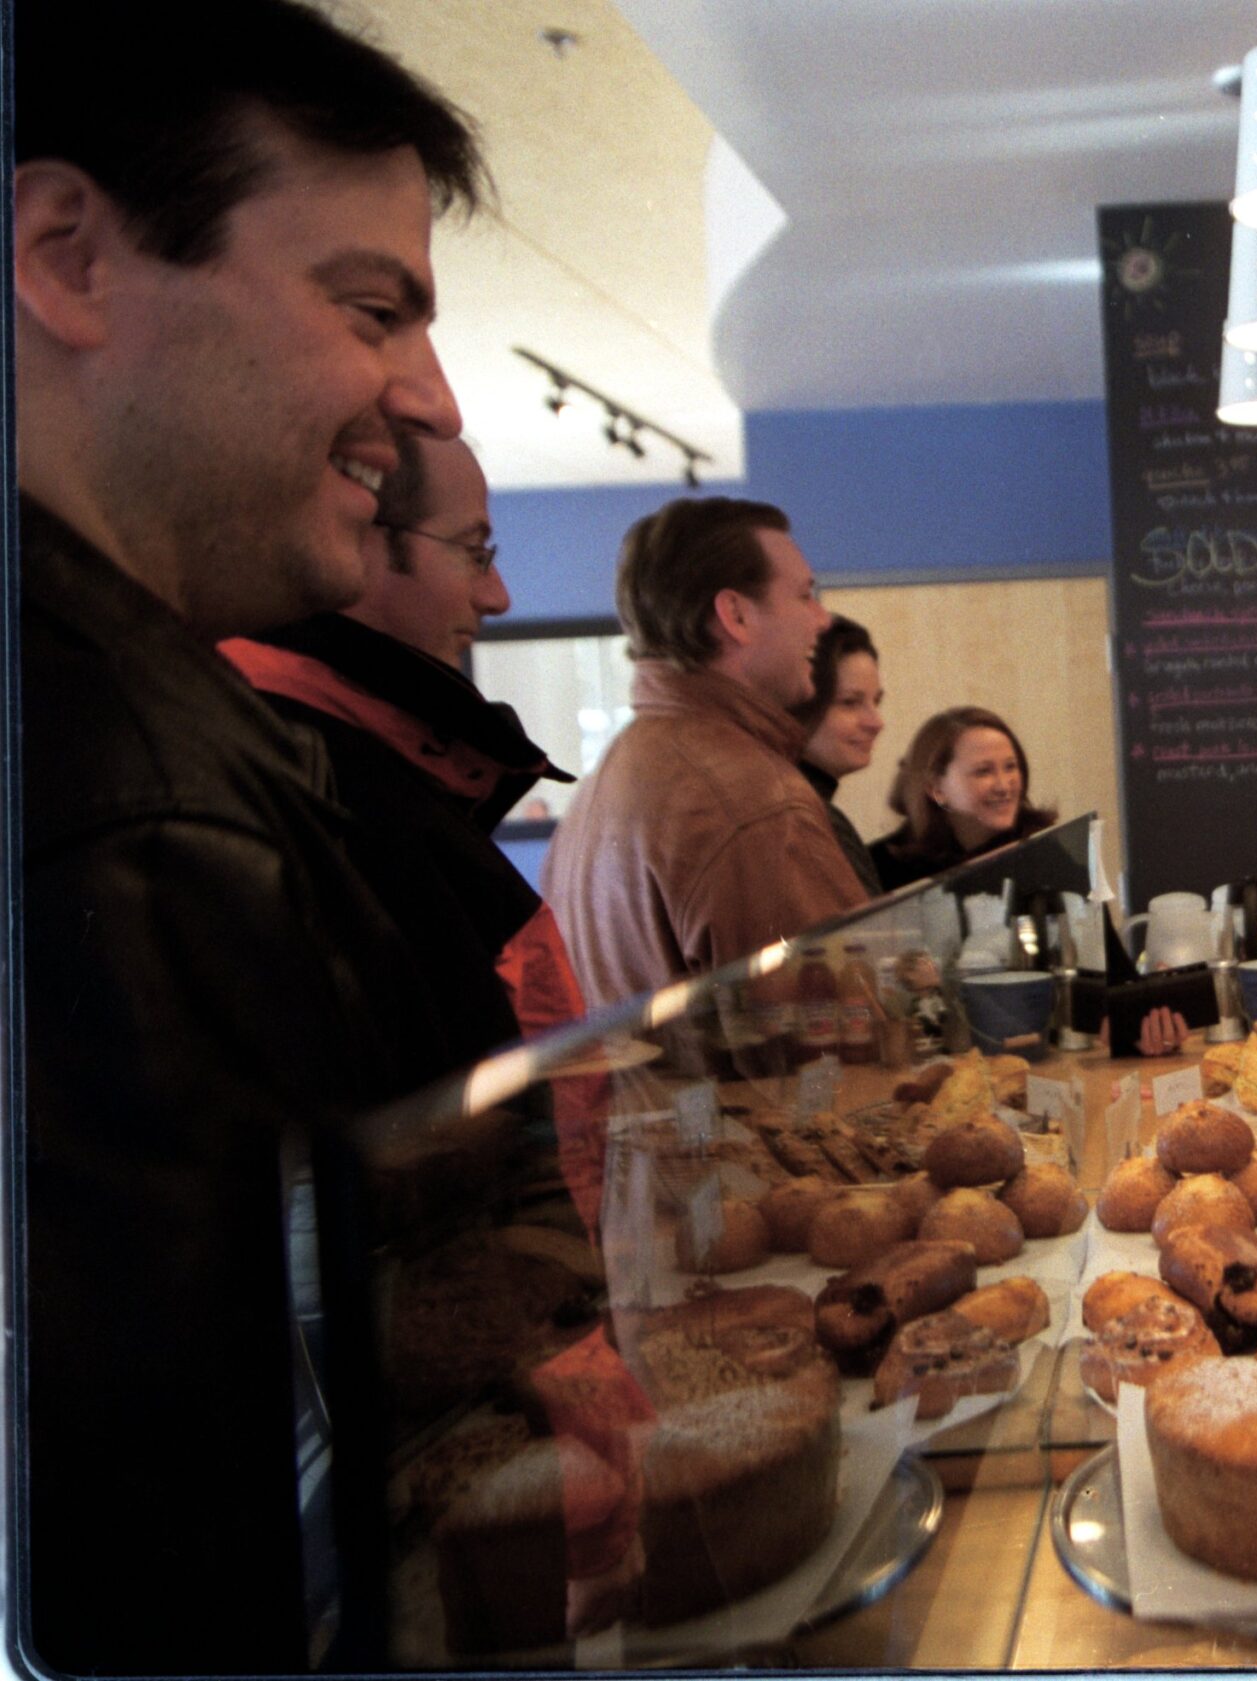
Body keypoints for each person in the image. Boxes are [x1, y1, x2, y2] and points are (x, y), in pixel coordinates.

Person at [13, 2, 485, 1667]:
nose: (428, 400)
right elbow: (189, 1578)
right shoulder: (133, 805)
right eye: (372, 310)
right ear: (70, 258)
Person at [224, 431, 585, 1046]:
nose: (496, 596)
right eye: (474, 551)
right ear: (356, 538)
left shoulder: (337, 751)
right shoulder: (314, 775)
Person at [543, 497, 866, 1003]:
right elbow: (838, 1026)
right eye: (805, 595)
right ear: (735, 615)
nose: (822, 620)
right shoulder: (751, 798)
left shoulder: (602, 783)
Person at [871, 705, 1058, 891]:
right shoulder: (882, 868)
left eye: (1010, 767)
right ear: (936, 789)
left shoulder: (1041, 850)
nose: (1003, 786)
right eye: (983, 771)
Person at [792, 613, 888, 897]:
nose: (876, 722)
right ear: (798, 705)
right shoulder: (807, 817)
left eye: (876, 702)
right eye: (849, 703)